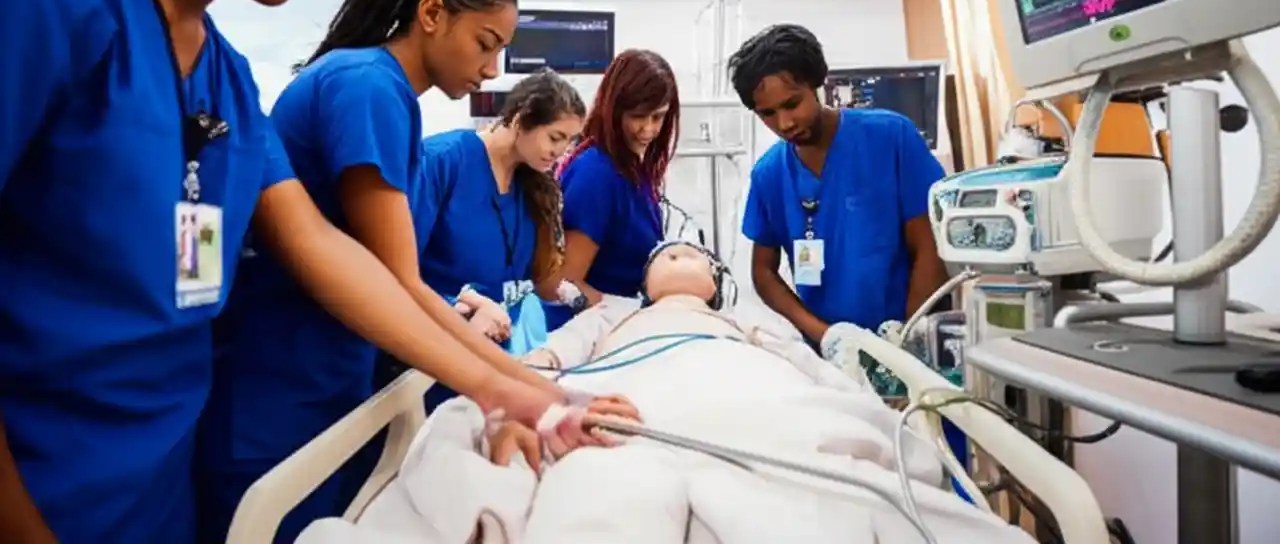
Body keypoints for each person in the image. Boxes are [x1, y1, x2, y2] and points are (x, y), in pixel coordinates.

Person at [0, 0, 611, 542]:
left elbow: (323, 248)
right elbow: (397, 273)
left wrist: (514, 391)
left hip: (160, 479)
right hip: (49, 474)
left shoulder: (224, 82)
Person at [195, 0, 624, 543]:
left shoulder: (383, 97)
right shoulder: (366, 88)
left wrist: (528, 387)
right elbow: (401, 284)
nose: (492, 67)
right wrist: (521, 392)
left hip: (333, 379)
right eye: (484, 42)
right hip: (282, 388)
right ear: (431, 15)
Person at [293, 241, 1036, 544]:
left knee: (816, 457)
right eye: (667, 254)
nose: (680, 259)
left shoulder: (743, 322)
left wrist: (850, 393)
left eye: (693, 256)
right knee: (591, 463)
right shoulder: (613, 313)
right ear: (645, 279)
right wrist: (535, 379)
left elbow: (816, 376)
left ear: (716, 282)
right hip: (615, 394)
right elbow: (551, 360)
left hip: (746, 389)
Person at [730, 24, 949, 348]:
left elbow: (929, 246)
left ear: (817, 81)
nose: (784, 123)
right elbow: (764, 273)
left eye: (792, 104)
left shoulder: (891, 138)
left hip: (907, 333)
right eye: (768, 113)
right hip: (832, 349)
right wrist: (825, 335)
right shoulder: (769, 175)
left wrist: (909, 340)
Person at [414, 69, 588, 355]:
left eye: (569, 141)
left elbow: (522, 281)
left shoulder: (531, 184)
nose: (561, 151)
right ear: (521, 119)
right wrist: (466, 304)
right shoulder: (443, 162)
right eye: (555, 137)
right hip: (437, 348)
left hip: (502, 350)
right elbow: (395, 269)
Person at [557, 49, 680, 304]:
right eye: (637, 117)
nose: (648, 129)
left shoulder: (633, 169)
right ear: (614, 111)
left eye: (658, 117)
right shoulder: (596, 174)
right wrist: (630, 313)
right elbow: (566, 284)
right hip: (589, 328)